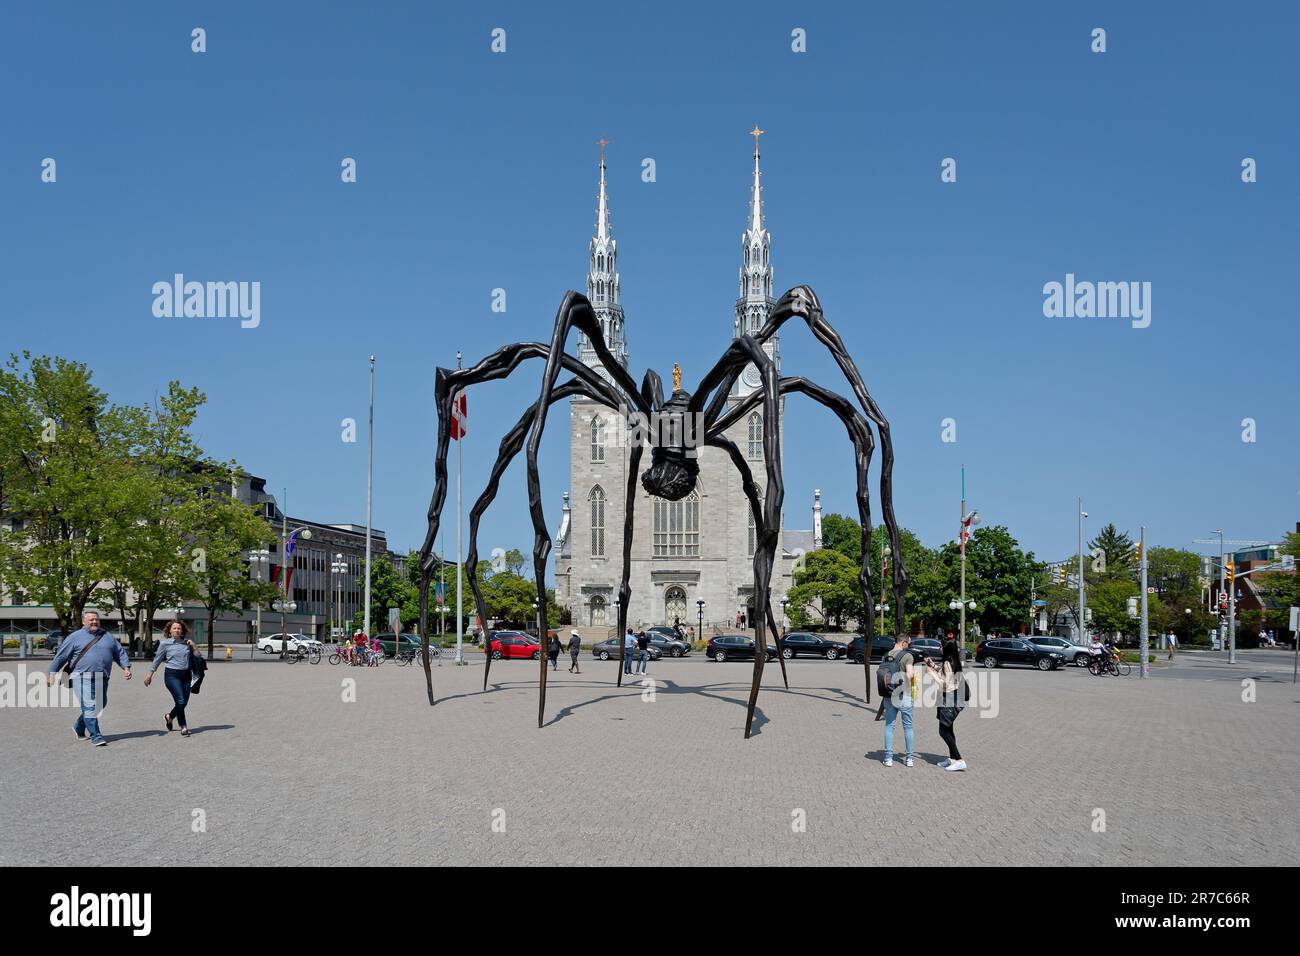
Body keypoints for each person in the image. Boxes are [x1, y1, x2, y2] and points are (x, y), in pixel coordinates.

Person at [45, 610, 132, 746]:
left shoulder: (108, 636)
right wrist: (51, 673)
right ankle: (96, 736)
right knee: (90, 706)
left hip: (102, 677)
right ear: (84, 622)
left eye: (96, 619)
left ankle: (79, 727)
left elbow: (119, 652)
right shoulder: (75, 637)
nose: (94, 622)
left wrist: (126, 667)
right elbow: (61, 656)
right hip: (81, 676)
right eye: (91, 619)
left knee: (100, 705)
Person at [144, 620, 198, 736]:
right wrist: (150, 674)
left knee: (183, 703)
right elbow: (157, 659)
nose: (177, 630)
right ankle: (183, 726)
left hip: (187, 675)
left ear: (182, 630)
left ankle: (169, 716)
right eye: (174, 628)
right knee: (181, 700)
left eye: (179, 628)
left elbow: (199, 657)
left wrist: (193, 646)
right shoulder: (165, 644)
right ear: (170, 630)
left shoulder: (187, 643)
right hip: (172, 675)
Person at [925, 636, 967, 771]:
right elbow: (945, 675)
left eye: (941, 646)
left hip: (948, 700)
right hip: (953, 698)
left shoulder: (948, 663)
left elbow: (945, 685)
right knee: (949, 729)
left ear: (946, 648)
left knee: (943, 731)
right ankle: (953, 759)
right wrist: (933, 665)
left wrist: (931, 674)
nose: (939, 648)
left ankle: (959, 759)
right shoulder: (953, 661)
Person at [880, 634, 915, 767]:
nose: (909, 646)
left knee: (889, 726)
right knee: (908, 727)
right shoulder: (907, 656)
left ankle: (888, 758)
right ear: (904, 643)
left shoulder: (885, 655)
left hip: (888, 695)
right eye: (908, 644)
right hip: (904, 694)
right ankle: (909, 759)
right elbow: (910, 674)